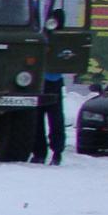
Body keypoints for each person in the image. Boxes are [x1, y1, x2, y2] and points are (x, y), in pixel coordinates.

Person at [31, 9, 67, 166]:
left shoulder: (61, 38)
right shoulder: (43, 35)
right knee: (46, 118)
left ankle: (49, 152)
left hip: (49, 81)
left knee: (52, 118)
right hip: (45, 81)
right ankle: (46, 152)